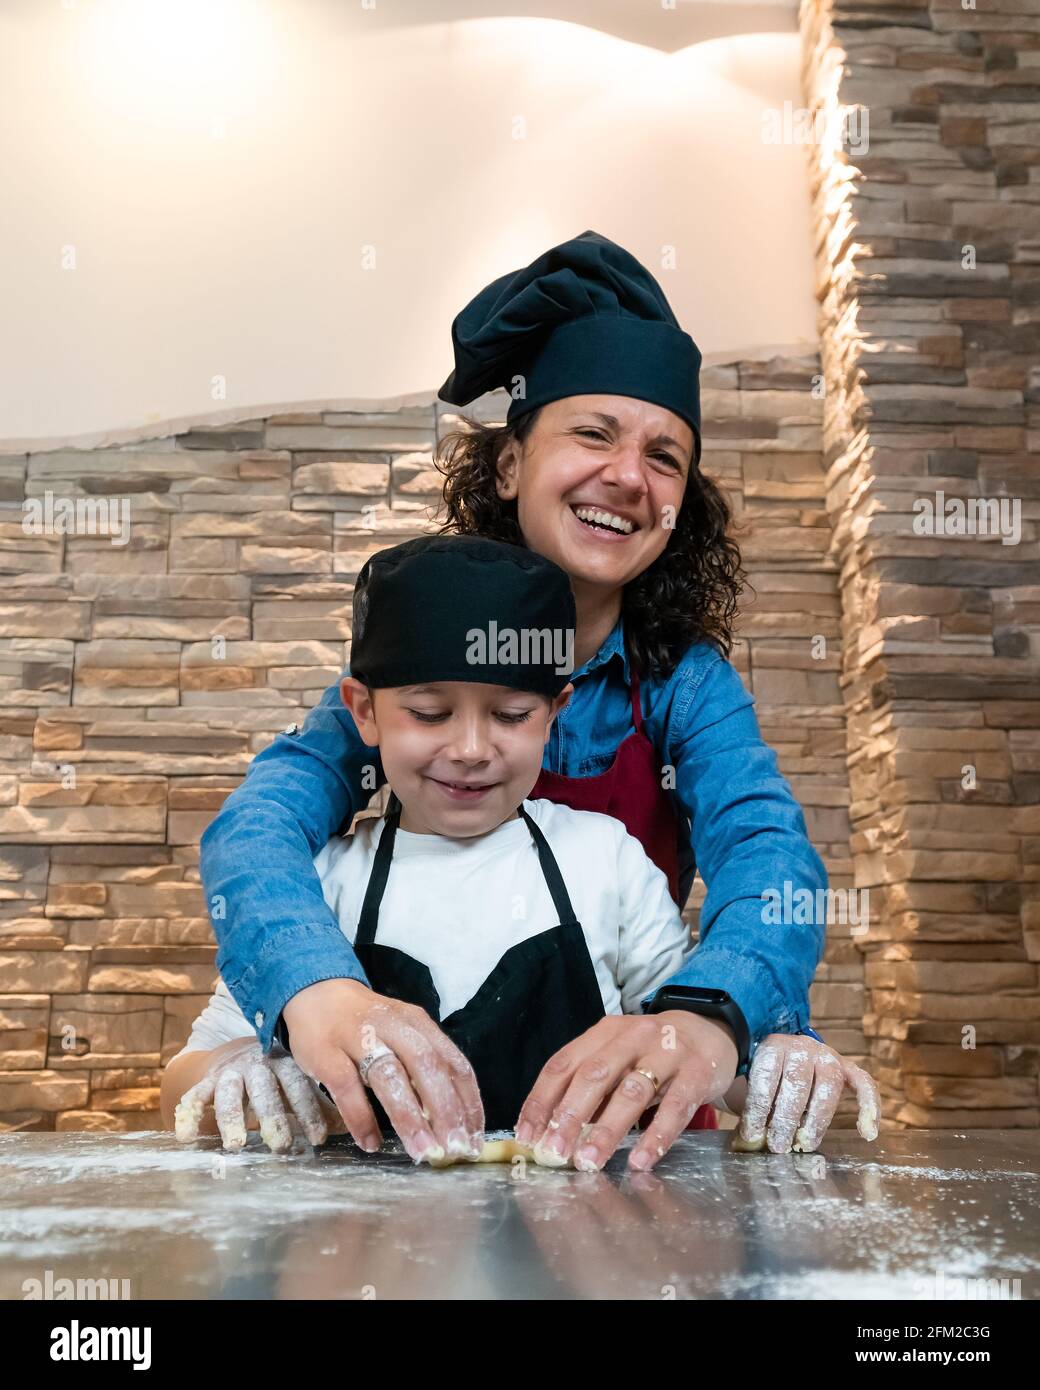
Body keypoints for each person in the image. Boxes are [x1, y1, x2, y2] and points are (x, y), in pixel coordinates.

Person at [199, 229, 879, 1170]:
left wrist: (712, 1016)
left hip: (624, 1167)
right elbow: (257, 828)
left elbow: (770, 859)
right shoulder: (417, 658)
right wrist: (317, 993)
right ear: (511, 464)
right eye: (592, 434)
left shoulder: (682, 688)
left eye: (666, 457)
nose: (628, 477)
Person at [165, 537, 878, 1165]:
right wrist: (239, 1070)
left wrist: (777, 1054)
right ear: (362, 711)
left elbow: (690, 1049)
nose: (471, 749)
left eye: (512, 715)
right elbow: (186, 1073)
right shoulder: (323, 879)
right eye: (429, 712)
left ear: (556, 713)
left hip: (588, 1260)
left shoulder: (607, 861)